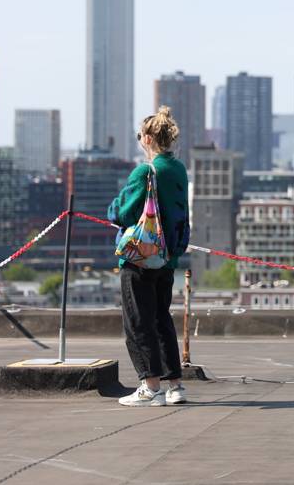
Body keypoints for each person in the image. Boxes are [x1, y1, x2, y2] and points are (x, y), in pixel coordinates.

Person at [108, 106, 190, 407]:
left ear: (147, 138)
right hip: (166, 256)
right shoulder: (178, 169)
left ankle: (149, 385)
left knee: (137, 322)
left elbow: (122, 212)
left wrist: (114, 207)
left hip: (139, 256)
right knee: (161, 318)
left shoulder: (146, 170)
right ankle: (175, 385)